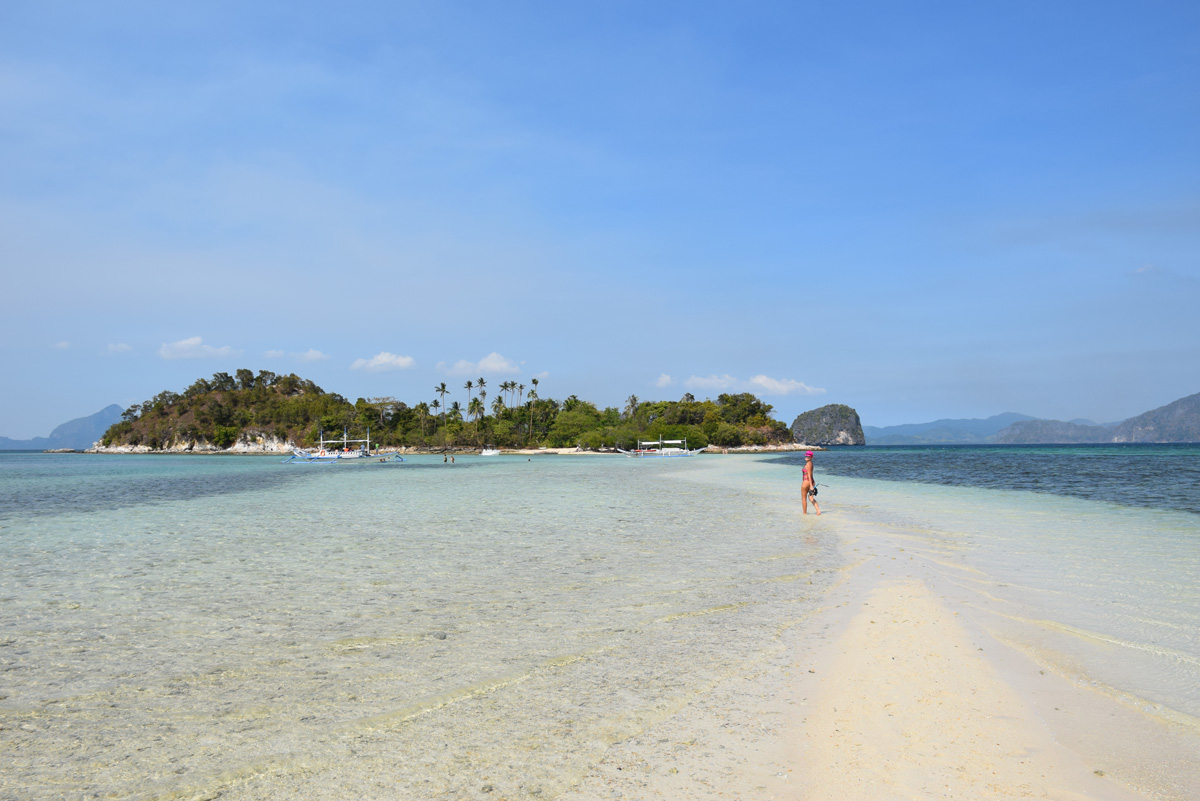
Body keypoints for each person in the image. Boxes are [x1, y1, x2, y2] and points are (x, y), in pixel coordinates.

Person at [801, 450, 821, 515]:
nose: (806, 457)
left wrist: (811, 486)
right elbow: (811, 475)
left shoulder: (808, 464)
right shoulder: (811, 463)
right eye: (806, 455)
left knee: (804, 498)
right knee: (811, 498)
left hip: (806, 482)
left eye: (808, 456)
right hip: (811, 481)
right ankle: (818, 511)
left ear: (811, 457)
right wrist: (812, 483)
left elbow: (809, 475)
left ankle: (804, 514)